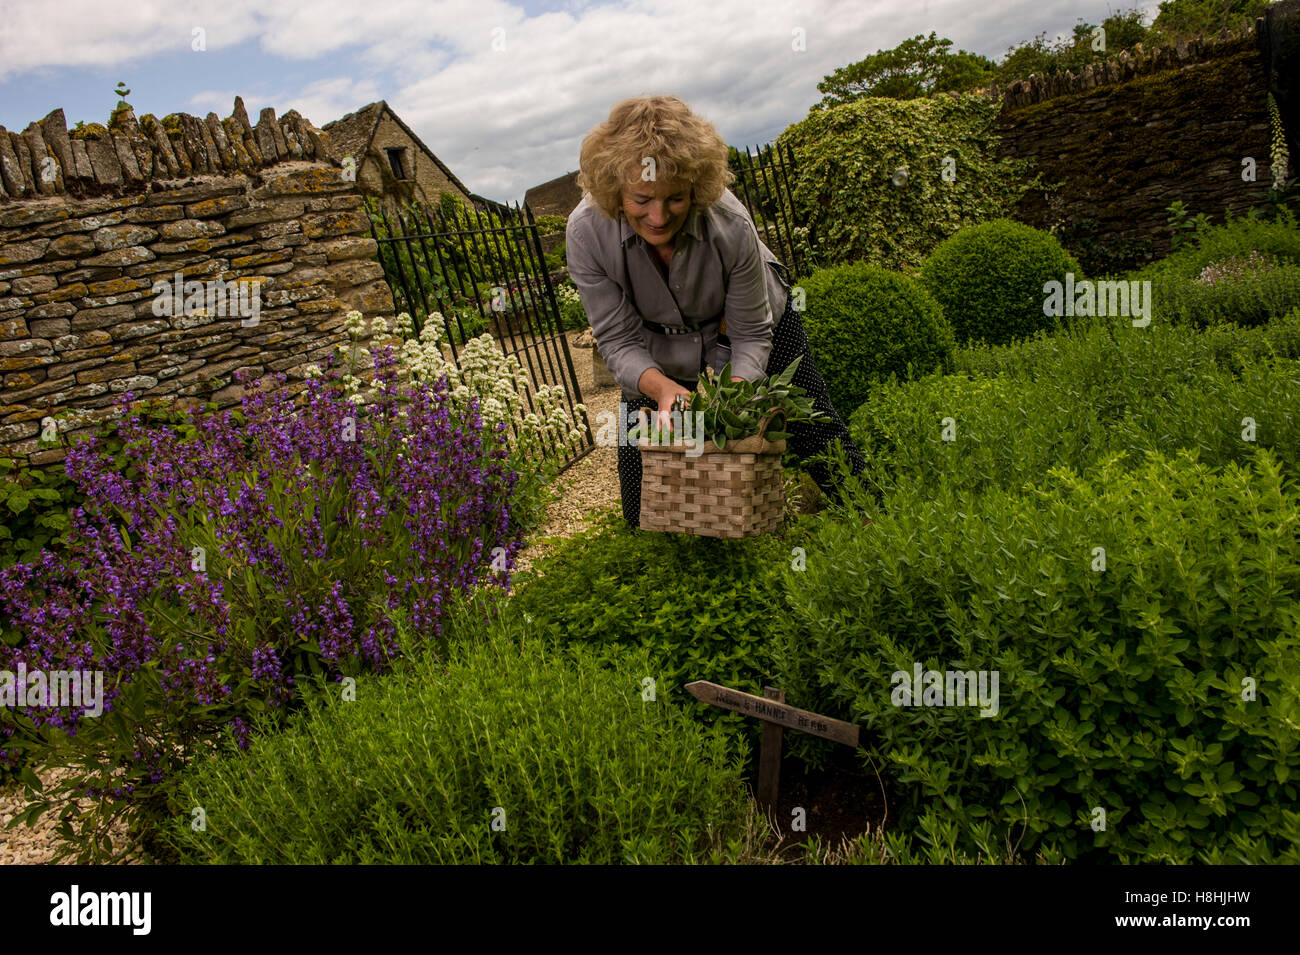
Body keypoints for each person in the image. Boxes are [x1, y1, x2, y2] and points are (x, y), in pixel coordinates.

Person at [564, 94, 869, 530]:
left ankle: (874, 521)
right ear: (616, 190)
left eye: (674, 199)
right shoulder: (586, 232)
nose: (658, 216)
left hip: (752, 327)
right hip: (655, 350)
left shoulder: (730, 223)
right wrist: (665, 390)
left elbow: (749, 334)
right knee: (643, 487)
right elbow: (617, 339)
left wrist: (733, 397)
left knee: (815, 429)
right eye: (642, 198)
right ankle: (677, 556)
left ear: (696, 187)